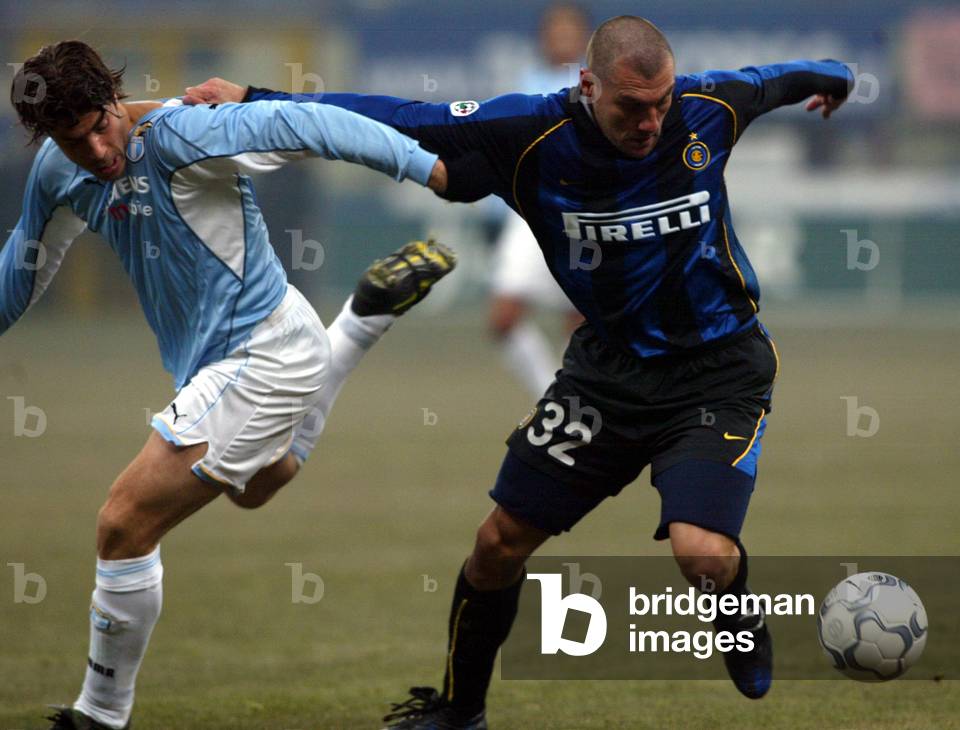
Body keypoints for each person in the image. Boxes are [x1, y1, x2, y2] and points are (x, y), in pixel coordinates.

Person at [188, 14, 852, 729]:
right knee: (497, 544)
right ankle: (458, 711)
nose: (651, 123)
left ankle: (737, 614)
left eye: (661, 104)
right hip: (605, 376)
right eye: (632, 107)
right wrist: (256, 99)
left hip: (716, 371)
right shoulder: (527, 133)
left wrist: (835, 79)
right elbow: (393, 116)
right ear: (588, 85)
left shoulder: (707, 107)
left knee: (702, 555)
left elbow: (782, 79)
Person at [3, 40, 459, 730]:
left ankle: (99, 714)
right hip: (236, 360)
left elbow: (312, 122)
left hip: (262, 353)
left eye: (101, 125)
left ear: (114, 97)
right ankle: (358, 325)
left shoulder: (185, 134)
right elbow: (20, 273)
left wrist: (426, 167)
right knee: (257, 487)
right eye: (74, 141)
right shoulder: (57, 173)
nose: (96, 150)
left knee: (124, 522)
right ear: (48, 138)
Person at [487, 2, 587, 396]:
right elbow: (503, 149)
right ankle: (550, 394)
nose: (561, 37)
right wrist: (495, 207)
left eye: (569, 29)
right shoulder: (524, 84)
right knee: (504, 317)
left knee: (579, 321)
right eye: (554, 30)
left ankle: (578, 402)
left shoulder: (597, 84)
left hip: (580, 213)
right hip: (528, 213)